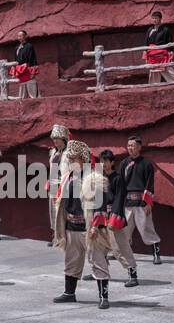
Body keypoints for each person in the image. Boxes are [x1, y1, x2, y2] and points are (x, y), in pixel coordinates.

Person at [52, 139, 109, 307]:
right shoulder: (67, 177)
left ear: (83, 159)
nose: (70, 161)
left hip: (89, 228)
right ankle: (69, 293)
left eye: (73, 158)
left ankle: (103, 297)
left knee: (98, 261)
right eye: (69, 158)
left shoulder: (94, 177)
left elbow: (100, 204)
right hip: (71, 227)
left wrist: (95, 227)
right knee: (71, 261)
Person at [98, 149, 140, 286]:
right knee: (99, 246)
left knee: (119, 247)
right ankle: (100, 272)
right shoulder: (100, 178)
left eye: (106, 161)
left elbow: (119, 199)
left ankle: (132, 274)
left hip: (113, 217)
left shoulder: (118, 179)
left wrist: (113, 218)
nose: (103, 164)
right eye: (101, 161)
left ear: (112, 162)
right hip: (101, 217)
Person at [121, 136, 161, 265]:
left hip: (141, 203)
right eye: (128, 145)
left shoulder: (146, 164)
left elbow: (150, 184)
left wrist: (147, 202)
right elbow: (120, 183)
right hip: (127, 203)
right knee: (124, 230)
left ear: (139, 147)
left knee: (146, 229)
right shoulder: (124, 164)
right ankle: (123, 254)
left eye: (132, 145)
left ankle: (156, 253)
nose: (130, 148)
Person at [144, 11, 174, 84]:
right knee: (154, 71)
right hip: (152, 56)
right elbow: (146, 43)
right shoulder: (150, 30)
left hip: (163, 55)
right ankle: (153, 86)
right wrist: (146, 55)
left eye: (156, 18)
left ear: (160, 19)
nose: (154, 20)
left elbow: (170, 42)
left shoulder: (165, 30)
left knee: (168, 69)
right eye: (153, 18)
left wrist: (171, 53)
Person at [45, 124, 69, 233]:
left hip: (64, 186)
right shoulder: (53, 153)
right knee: (53, 210)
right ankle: (56, 235)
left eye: (57, 138)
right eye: (53, 138)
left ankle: (63, 235)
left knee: (62, 211)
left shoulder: (69, 153)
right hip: (54, 185)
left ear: (63, 139)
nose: (55, 141)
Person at [13, 30, 40, 99]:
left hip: (28, 70)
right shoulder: (17, 48)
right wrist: (14, 72)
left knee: (31, 87)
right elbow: (16, 61)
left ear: (25, 36)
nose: (19, 38)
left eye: (20, 36)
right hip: (20, 71)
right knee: (22, 91)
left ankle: (34, 101)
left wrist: (33, 72)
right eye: (18, 36)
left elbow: (32, 59)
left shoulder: (29, 46)